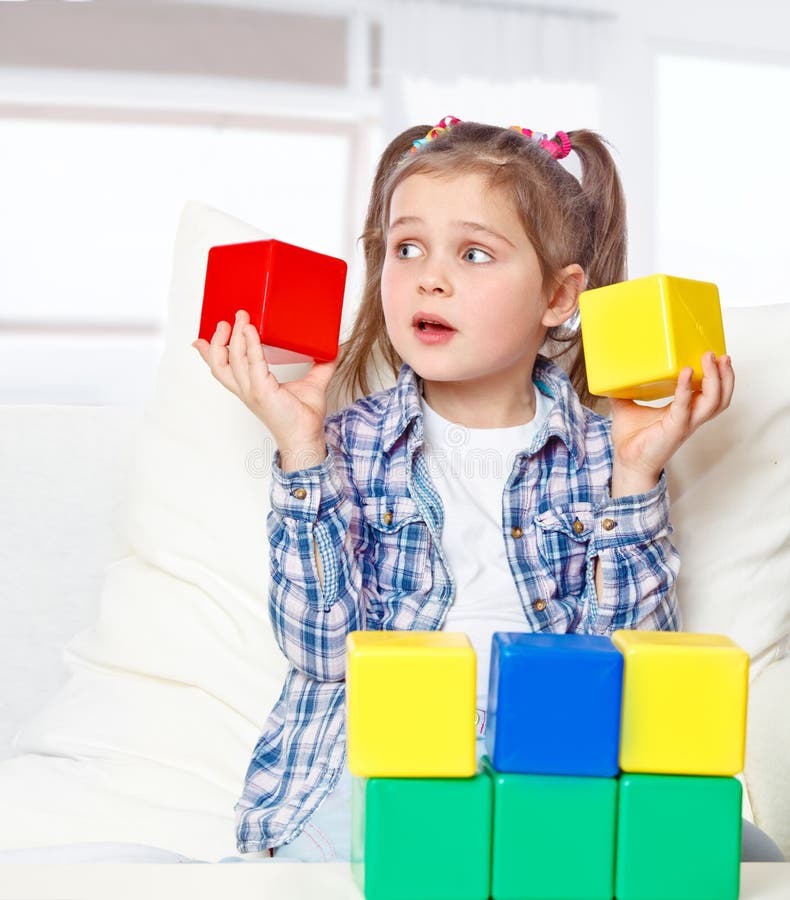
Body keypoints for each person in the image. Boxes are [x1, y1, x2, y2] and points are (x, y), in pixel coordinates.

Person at [193, 116, 746, 862]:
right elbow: (321, 651)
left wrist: (635, 480)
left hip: (554, 767)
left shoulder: (600, 451)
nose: (429, 277)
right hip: (380, 766)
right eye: (406, 247)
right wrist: (300, 453)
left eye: (474, 253)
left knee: (740, 856)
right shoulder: (343, 444)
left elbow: (634, 660)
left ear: (559, 297)